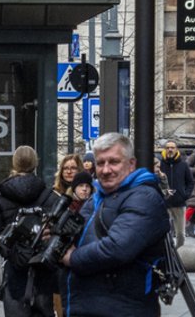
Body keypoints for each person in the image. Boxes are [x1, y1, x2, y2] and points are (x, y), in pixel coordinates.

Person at [60, 132, 170, 317]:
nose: (106, 170)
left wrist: (72, 258)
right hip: (89, 307)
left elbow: (117, 248)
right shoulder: (98, 197)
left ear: (131, 164)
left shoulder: (144, 197)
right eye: (100, 163)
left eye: (114, 162)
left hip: (121, 309)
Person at [0, 145, 59, 317]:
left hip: (14, 274)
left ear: (14, 164)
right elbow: (61, 232)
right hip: (45, 272)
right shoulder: (52, 197)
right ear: (36, 163)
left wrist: (12, 252)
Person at [157, 138, 194, 247]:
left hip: (179, 203)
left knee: (181, 234)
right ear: (165, 149)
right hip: (164, 203)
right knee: (164, 232)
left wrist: (185, 195)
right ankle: (168, 252)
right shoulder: (160, 165)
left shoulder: (183, 165)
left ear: (176, 149)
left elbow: (191, 182)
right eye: (168, 148)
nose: (170, 150)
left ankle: (179, 252)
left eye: (172, 148)